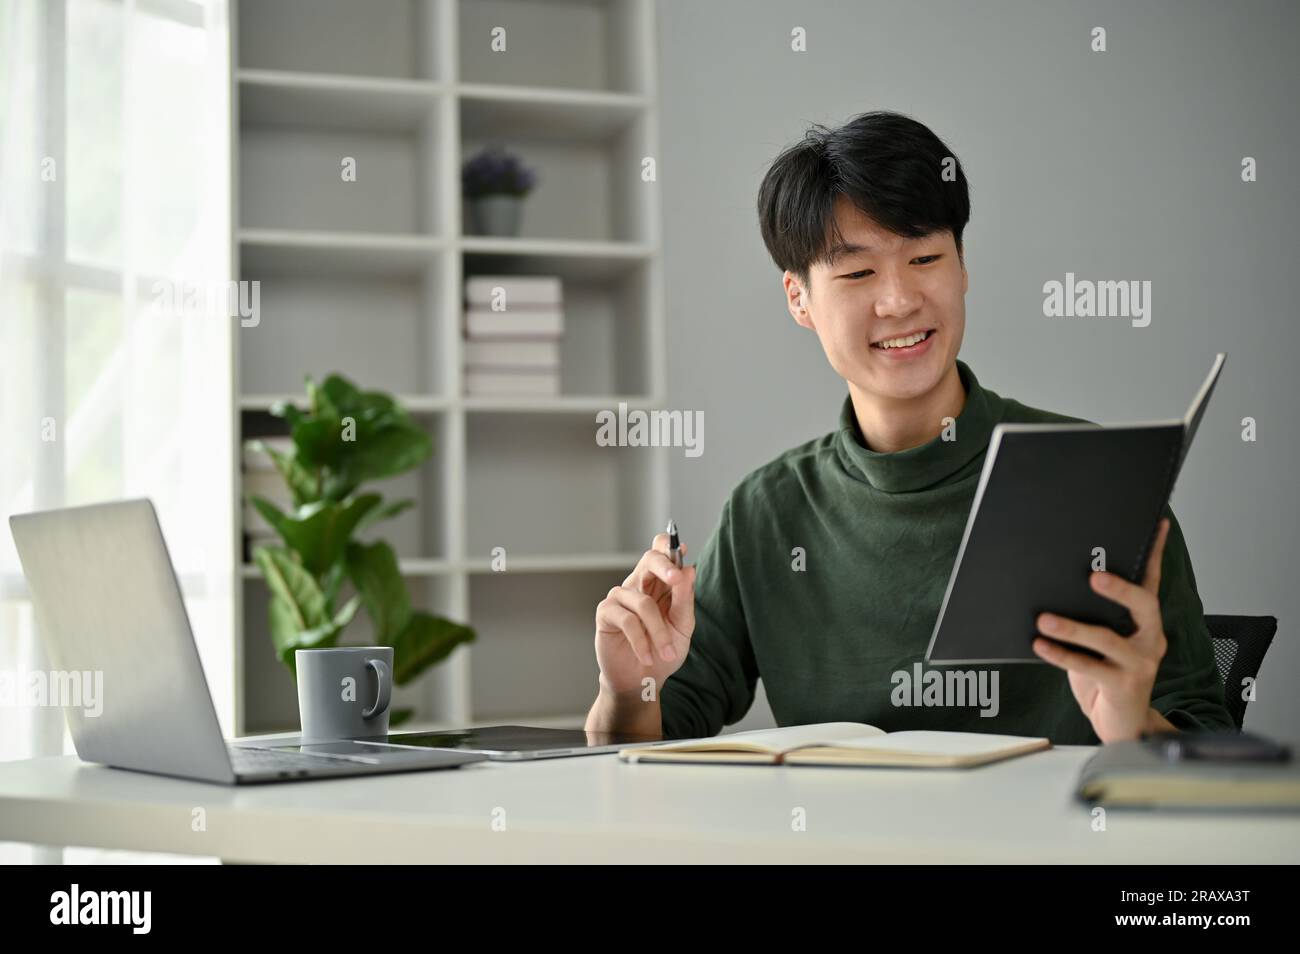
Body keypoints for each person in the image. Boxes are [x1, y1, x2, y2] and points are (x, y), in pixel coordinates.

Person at [585, 110, 1232, 745]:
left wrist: (1132, 724)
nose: (898, 300)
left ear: (962, 266)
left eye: (925, 258)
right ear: (799, 298)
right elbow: (648, 744)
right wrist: (626, 690)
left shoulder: (1098, 478)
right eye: (859, 272)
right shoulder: (768, 513)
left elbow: (1208, 746)